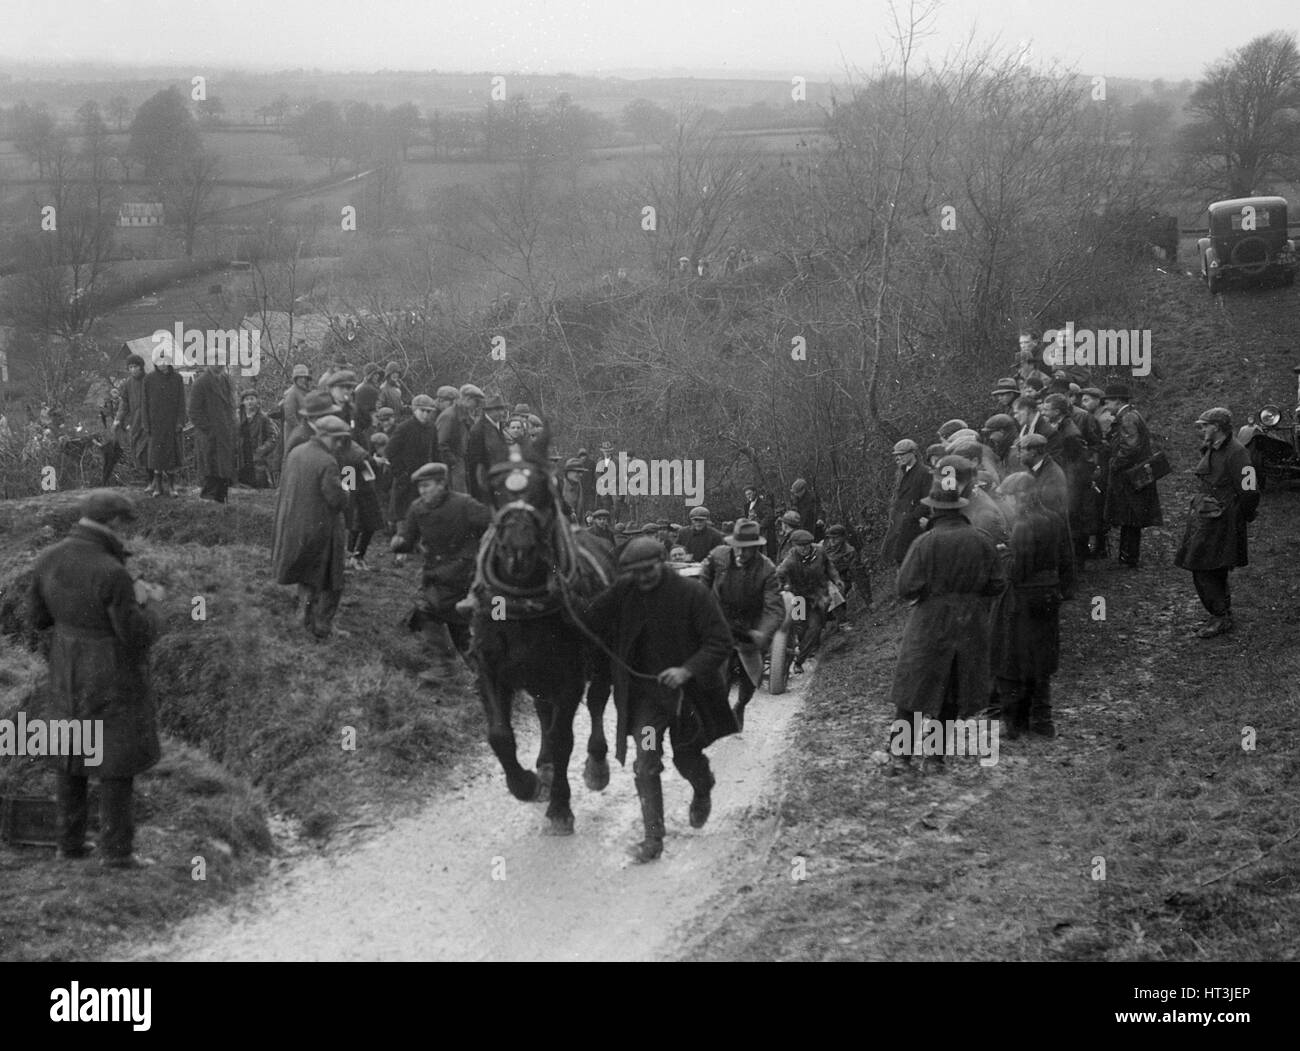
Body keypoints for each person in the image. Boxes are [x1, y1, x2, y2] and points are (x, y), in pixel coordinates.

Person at [28, 490, 162, 869]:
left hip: (66, 667)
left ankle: (68, 844)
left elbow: (37, 620)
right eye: (126, 526)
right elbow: (135, 634)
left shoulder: (48, 558)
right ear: (115, 523)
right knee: (114, 759)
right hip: (110, 671)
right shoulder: (113, 572)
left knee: (71, 755)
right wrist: (149, 602)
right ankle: (116, 852)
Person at [582, 536, 736, 862]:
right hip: (647, 701)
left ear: (663, 562)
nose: (642, 578)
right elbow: (589, 617)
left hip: (688, 699)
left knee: (686, 760)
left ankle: (703, 786)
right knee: (646, 761)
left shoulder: (693, 595)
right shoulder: (625, 591)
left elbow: (720, 641)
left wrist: (686, 670)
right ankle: (653, 839)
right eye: (635, 572)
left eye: (648, 570)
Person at [883, 483, 1007, 775]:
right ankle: (935, 759)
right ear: (961, 508)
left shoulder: (925, 542)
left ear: (935, 510)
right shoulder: (982, 540)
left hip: (930, 623)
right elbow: (998, 583)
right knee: (951, 692)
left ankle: (901, 756)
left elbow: (905, 587)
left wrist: (932, 592)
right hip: (970, 626)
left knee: (912, 692)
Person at [990, 471, 1076, 739]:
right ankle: (1043, 721)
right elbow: (1066, 558)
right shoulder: (1054, 518)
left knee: (1014, 660)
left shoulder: (1024, 525)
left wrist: (1003, 553)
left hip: (1023, 600)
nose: (1007, 503)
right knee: (1041, 659)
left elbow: (1017, 571)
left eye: (1009, 497)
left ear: (1021, 496)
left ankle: (1016, 724)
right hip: (1049, 595)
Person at [390, 462, 492, 683]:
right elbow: (408, 539)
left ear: (442, 484)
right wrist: (398, 543)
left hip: (462, 572)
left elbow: (492, 523)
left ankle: (445, 666)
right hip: (435, 573)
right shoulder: (418, 508)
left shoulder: (464, 504)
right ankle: (484, 675)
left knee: (427, 612)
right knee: (459, 628)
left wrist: (479, 552)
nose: (423, 491)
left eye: (428, 486)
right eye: (420, 487)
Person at [1173, 407, 1259, 638]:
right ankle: (1222, 613)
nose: (1201, 430)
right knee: (1209, 565)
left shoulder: (1237, 453)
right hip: (1208, 513)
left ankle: (1220, 616)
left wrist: (1242, 514)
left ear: (1218, 427)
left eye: (1205, 426)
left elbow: (1250, 489)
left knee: (1203, 565)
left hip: (1222, 517)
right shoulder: (1214, 447)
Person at [271, 415, 352, 640]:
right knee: (332, 579)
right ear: (326, 437)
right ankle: (323, 625)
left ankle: (302, 617)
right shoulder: (327, 461)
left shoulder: (296, 452)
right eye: (337, 439)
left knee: (306, 575)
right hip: (323, 528)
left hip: (297, 526)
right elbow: (336, 499)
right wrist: (346, 491)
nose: (338, 444)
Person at [699, 519, 784, 731]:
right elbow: (703, 581)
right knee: (720, 673)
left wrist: (762, 633)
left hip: (750, 627)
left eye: (746, 549)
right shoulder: (718, 556)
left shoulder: (767, 570)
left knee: (749, 682)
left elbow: (774, 608)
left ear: (756, 548)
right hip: (721, 621)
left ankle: (740, 706)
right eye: (737, 547)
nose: (740, 553)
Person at [1102, 384, 1162, 569]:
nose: (1106, 405)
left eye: (1109, 401)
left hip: (1130, 475)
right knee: (1131, 517)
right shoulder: (1130, 415)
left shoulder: (1127, 417)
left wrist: (1114, 464)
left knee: (1130, 516)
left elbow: (1130, 447)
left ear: (1119, 401)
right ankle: (1127, 556)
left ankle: (1128, 558)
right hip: (1134, 473)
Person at [776, 529, 843, 673]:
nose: (804, 548)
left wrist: (836, 579)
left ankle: (799, 662)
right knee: (800, 627)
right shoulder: (790, 560)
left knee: (815, 627)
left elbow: (829, 566)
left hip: (818, 595)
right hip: (799, 597)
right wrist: (782, 586)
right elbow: (779, 573)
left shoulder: (820, 552)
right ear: (794, 546)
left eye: (807, 545)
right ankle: (804, 647)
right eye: (800, 546)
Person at [386, 394, 441, 543]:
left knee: (422, 509)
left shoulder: (431, 428)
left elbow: (436, 452)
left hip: (423, 476)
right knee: (403, 511)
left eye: (429, 411)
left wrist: (437, 473)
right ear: (414, 410)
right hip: (406, 477)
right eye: (422, 410)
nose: (425, 414)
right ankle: (401, 546)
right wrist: (400, 473)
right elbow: (390, 451)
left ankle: (417, 542)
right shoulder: (404, 428)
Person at [190, 362, 238, 503]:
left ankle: (221, 500)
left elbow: (231, 405)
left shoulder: (227, 380)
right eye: (215, 360)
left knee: (224, 469)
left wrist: (232, 425)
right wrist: (209, 430)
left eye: (222, 361)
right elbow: (194, 412)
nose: (219, 364)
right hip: (209, 435)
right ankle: (208, 501)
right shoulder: (201, 383)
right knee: (210, 468)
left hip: (226, 432)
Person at [881, 439, 930, 566]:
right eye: (897, 455)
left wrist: (910, 518)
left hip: (914, 525)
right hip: (900, 524)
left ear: (913, 453)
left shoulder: (924, 472)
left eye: (902, 454)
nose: (899, 457)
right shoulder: (902, 472)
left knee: (912, 562)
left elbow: (927, 501)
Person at [142, 358, 186, 498]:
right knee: (156, 458)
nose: (162, 364)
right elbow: (144, 404)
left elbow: (181, 402)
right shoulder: (149, 379)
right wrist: (146, 424)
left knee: (171, 457)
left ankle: (172, 487)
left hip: (171, 424)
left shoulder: (177, 378)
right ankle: (158, 487)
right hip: (155, 424)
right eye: (159, 361)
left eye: (165, 360)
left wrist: (180, 422)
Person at [436, 384, 483, 493]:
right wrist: (454, 463)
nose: (477, 406)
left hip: (460, 464)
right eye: (476, 402)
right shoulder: (450, 416)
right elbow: (441, 444)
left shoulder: (463, 415)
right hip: (452, 466)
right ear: (467, 399)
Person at [466, 394, 510, 502]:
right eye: (497, 410)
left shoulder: (497, 426)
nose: (501, 413)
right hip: (484, 480)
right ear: (488, 411)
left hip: (498, 478)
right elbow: (475, 460)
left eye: (502, 409)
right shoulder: (479, 430)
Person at [115, 354, 149, 485]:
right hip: (134, 421)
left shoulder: (149, 380)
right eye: (130, 367)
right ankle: (140, 476)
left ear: (141, 367)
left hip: (148, 421)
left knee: (147, 448)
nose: (133, 370)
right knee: (135, 445)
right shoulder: (128, 383)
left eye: (136, 366)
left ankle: (150, 476)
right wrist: (118, 419)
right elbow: (124, 404)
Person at [237, 389, 279, 489]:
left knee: (260, 484)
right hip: (240, 458)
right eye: (247, 399)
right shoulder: (237, 417)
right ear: (243, 402)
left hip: (257, 459)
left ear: (257, 401)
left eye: (252, 399)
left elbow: (273, 436)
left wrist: (262, 450)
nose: (250, 402)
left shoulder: (263, 418)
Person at [278, 364, 314, 467]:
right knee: (292, 460)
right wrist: (300, 430)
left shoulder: (305, 391)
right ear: (296, 378)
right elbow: (290, 416)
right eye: (300, 377)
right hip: (294, 432)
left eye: (305, 377)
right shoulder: (292, 393)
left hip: (305, 431)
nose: (303, 380)